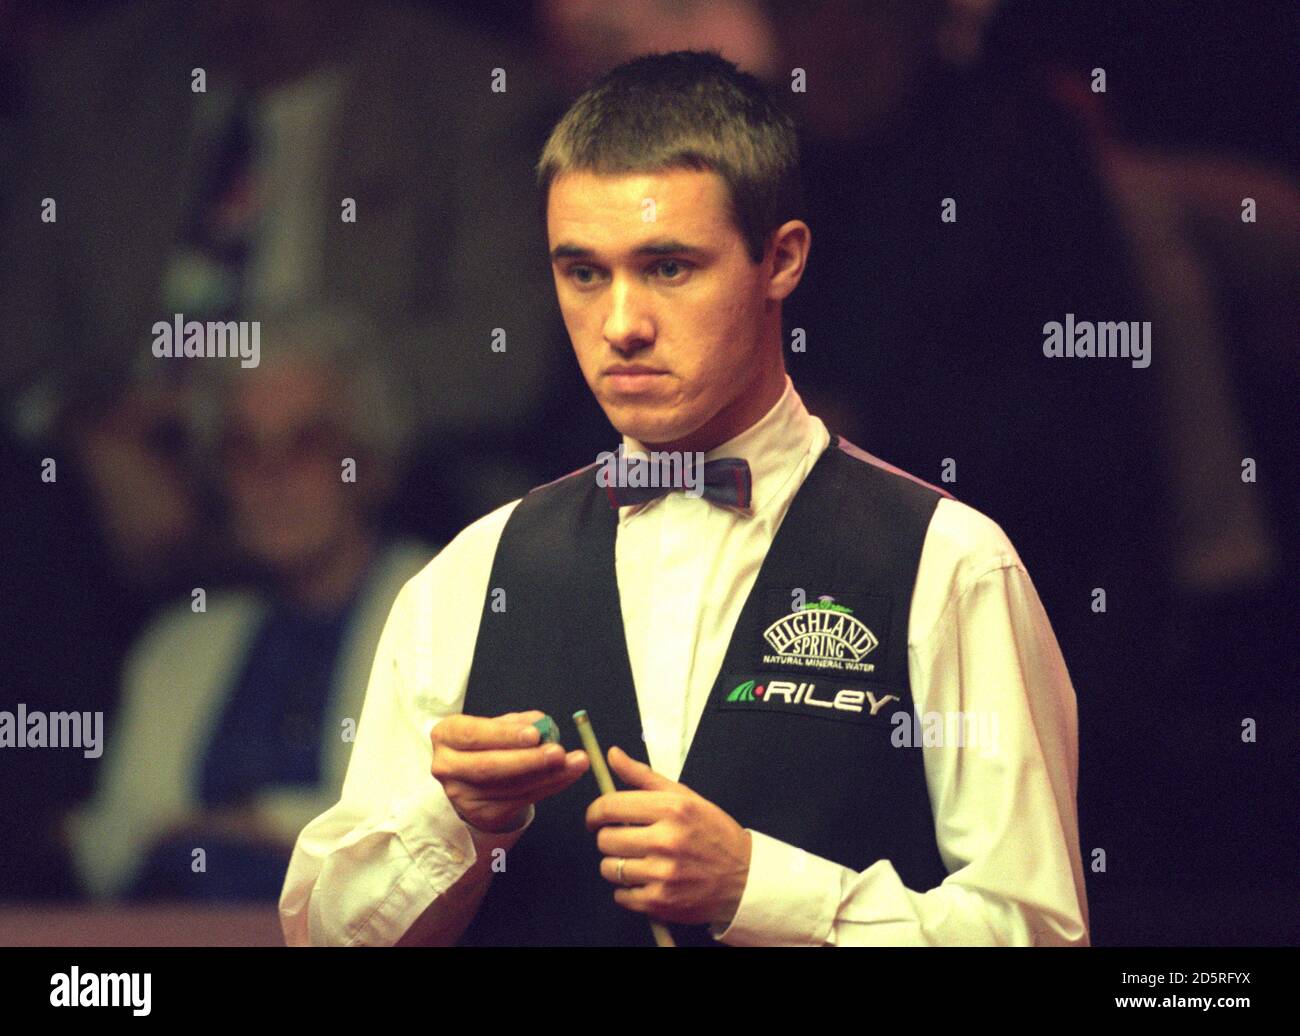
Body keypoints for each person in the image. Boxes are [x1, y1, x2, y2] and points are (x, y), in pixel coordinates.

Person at [279, 50, 1089, 947]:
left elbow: (1041, 934)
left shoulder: (948, 563)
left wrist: (762, 888)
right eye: (583, 272)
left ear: (779, 260)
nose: (621, 323)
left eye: (668, 266)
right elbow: (325, 939)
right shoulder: (475, 572)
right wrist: (459, 822)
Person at [65, 302, 434, 901]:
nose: (272, 475)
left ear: (369, 462)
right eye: (244, 448)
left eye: (305, 443)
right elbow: (115, 841)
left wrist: (244, 827)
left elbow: (418, 836)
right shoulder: (181, 642)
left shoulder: (443, 605)